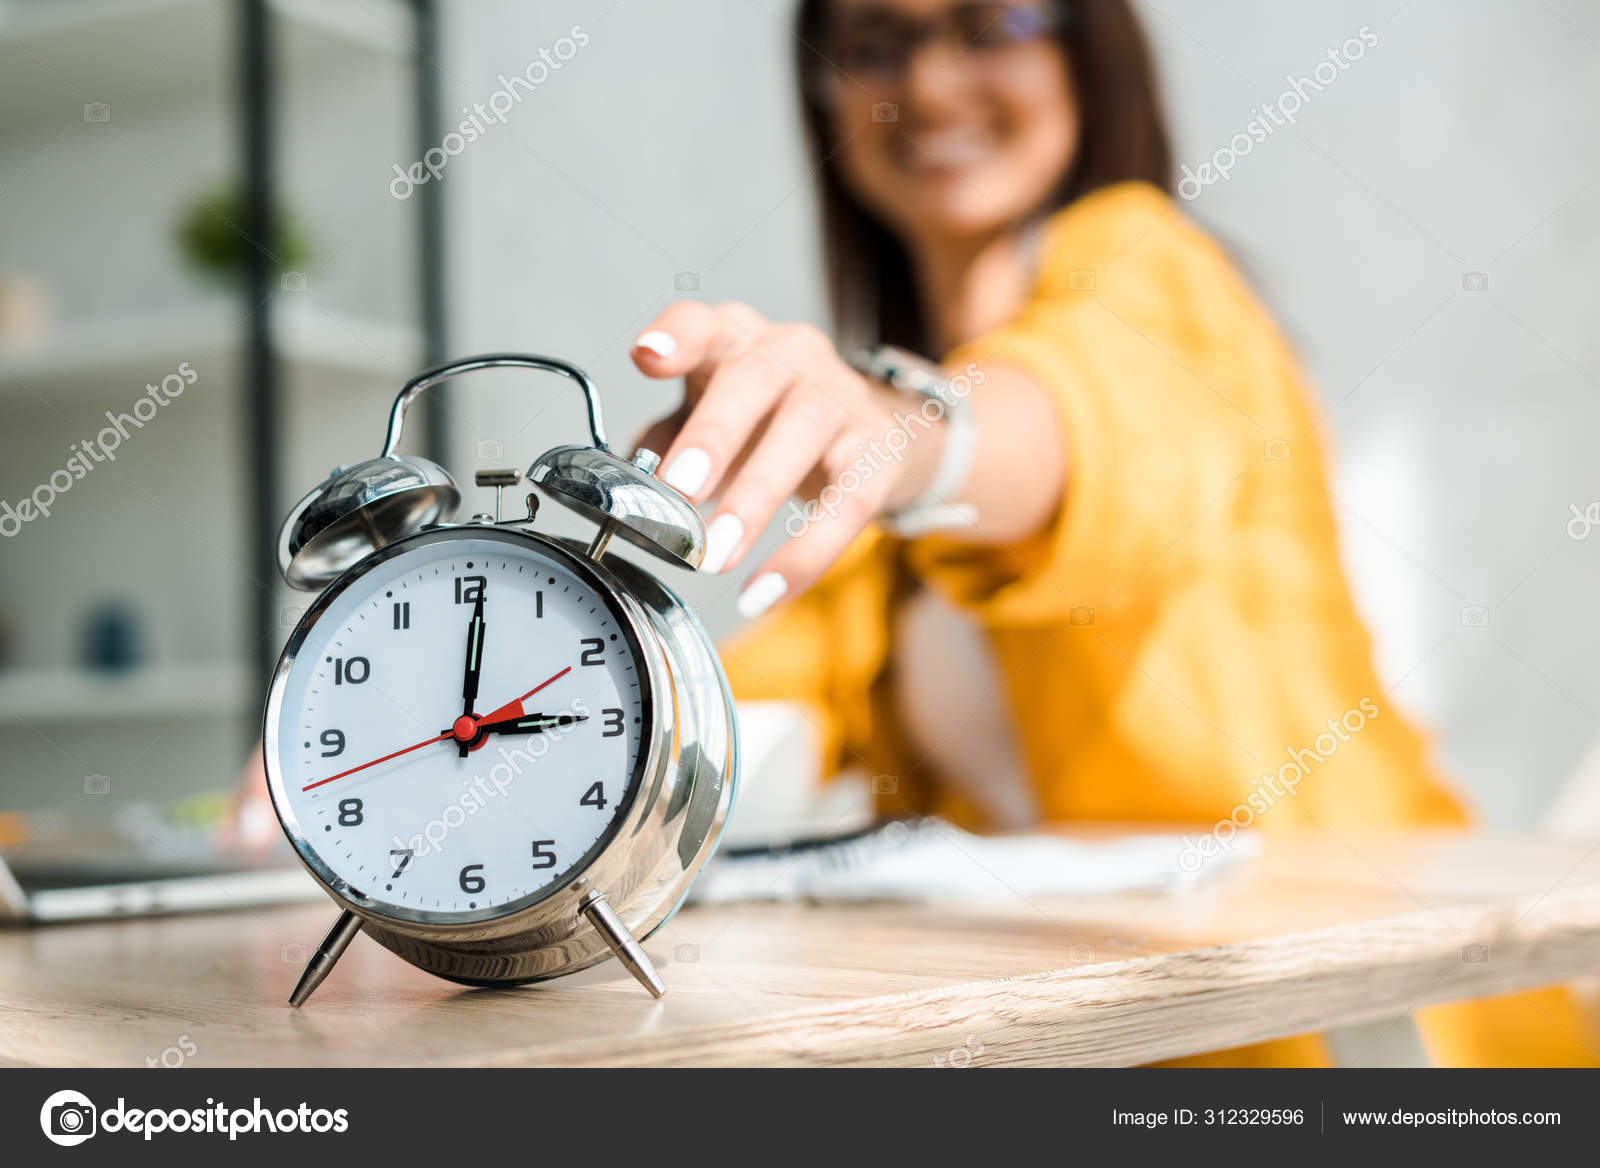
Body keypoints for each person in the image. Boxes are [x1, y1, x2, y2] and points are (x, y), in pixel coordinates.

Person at [617, 0, 1595, 1066]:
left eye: (994, 24)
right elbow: (724, 703)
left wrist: (903, 440)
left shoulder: (1146, 268)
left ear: (1093, 52)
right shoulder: (877, 525)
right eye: (876, 42)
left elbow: (1070, 424)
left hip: (1387, 1036)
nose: (932, 83)